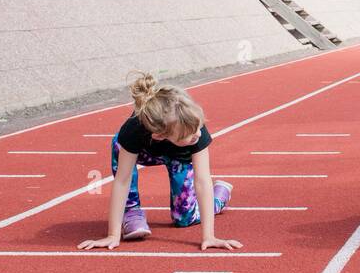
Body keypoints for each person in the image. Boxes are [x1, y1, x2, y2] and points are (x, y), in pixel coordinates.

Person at [78, 71, 241, 251]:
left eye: (198, 128)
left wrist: (209, 236)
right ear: (160, 135)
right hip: (143, 151)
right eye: (191, 135)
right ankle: (132, 212)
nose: (198, 134)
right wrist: (112, 235)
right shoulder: (134, 129)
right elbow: (122, 181)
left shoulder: (195, 130)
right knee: (118, 145)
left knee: (185, 219)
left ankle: (220, 196)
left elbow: (202, 181)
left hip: (178, 156)